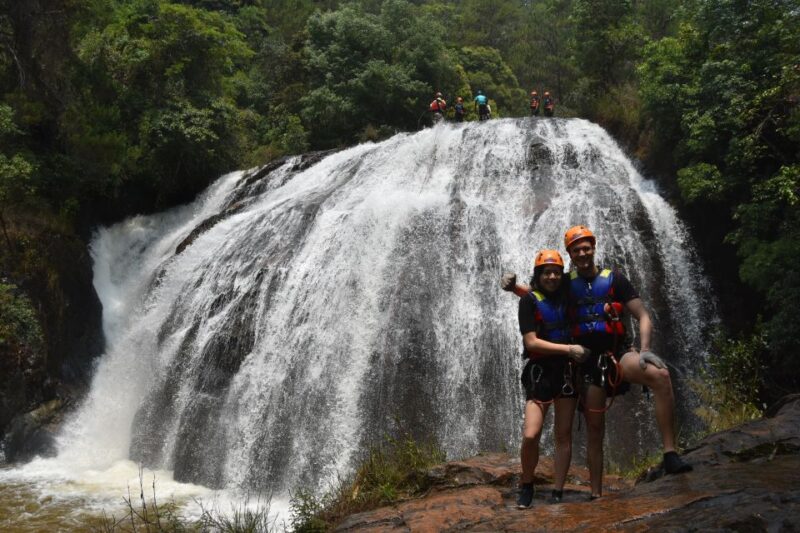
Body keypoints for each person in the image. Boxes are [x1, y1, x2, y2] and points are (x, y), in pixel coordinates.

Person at [502, 225, 692, 499]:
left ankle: (670, 453)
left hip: (619, 354)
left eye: (586, 247)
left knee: (659, 375)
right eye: (576, 249)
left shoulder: (615, 278)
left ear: (593, 247)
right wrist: (515, 289)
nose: (582, 253)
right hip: (587, 362)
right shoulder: (566, 281)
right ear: (570, 253)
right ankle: (596, 495)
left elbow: (643, 315)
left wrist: (646, 349)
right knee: (594, 428)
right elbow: (544, 295)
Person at [510, 250, 590, 508]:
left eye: (556, 272)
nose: (552, 276)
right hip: (541, 373)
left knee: (563, 435)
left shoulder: (568, 295)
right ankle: (527, 484)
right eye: (547, 272)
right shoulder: (529, 301)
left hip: (566, 373)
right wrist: (569, 349)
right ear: (539, 275)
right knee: (531, 434)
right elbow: (531, 341)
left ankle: (558, 490)